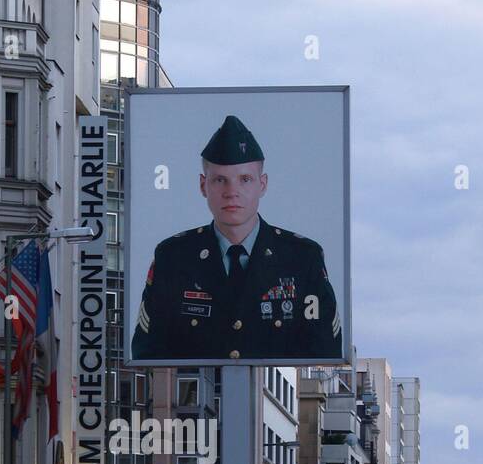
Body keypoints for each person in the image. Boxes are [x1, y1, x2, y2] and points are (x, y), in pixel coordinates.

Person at [130, 114, 342, 362]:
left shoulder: (302, 257)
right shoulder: (173, 257)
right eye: (220, 180)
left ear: (262, 185)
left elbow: (324, 350)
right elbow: (148, 351)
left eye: (245, 179)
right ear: (203, 185)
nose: (232, 192)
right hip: (199, 398)